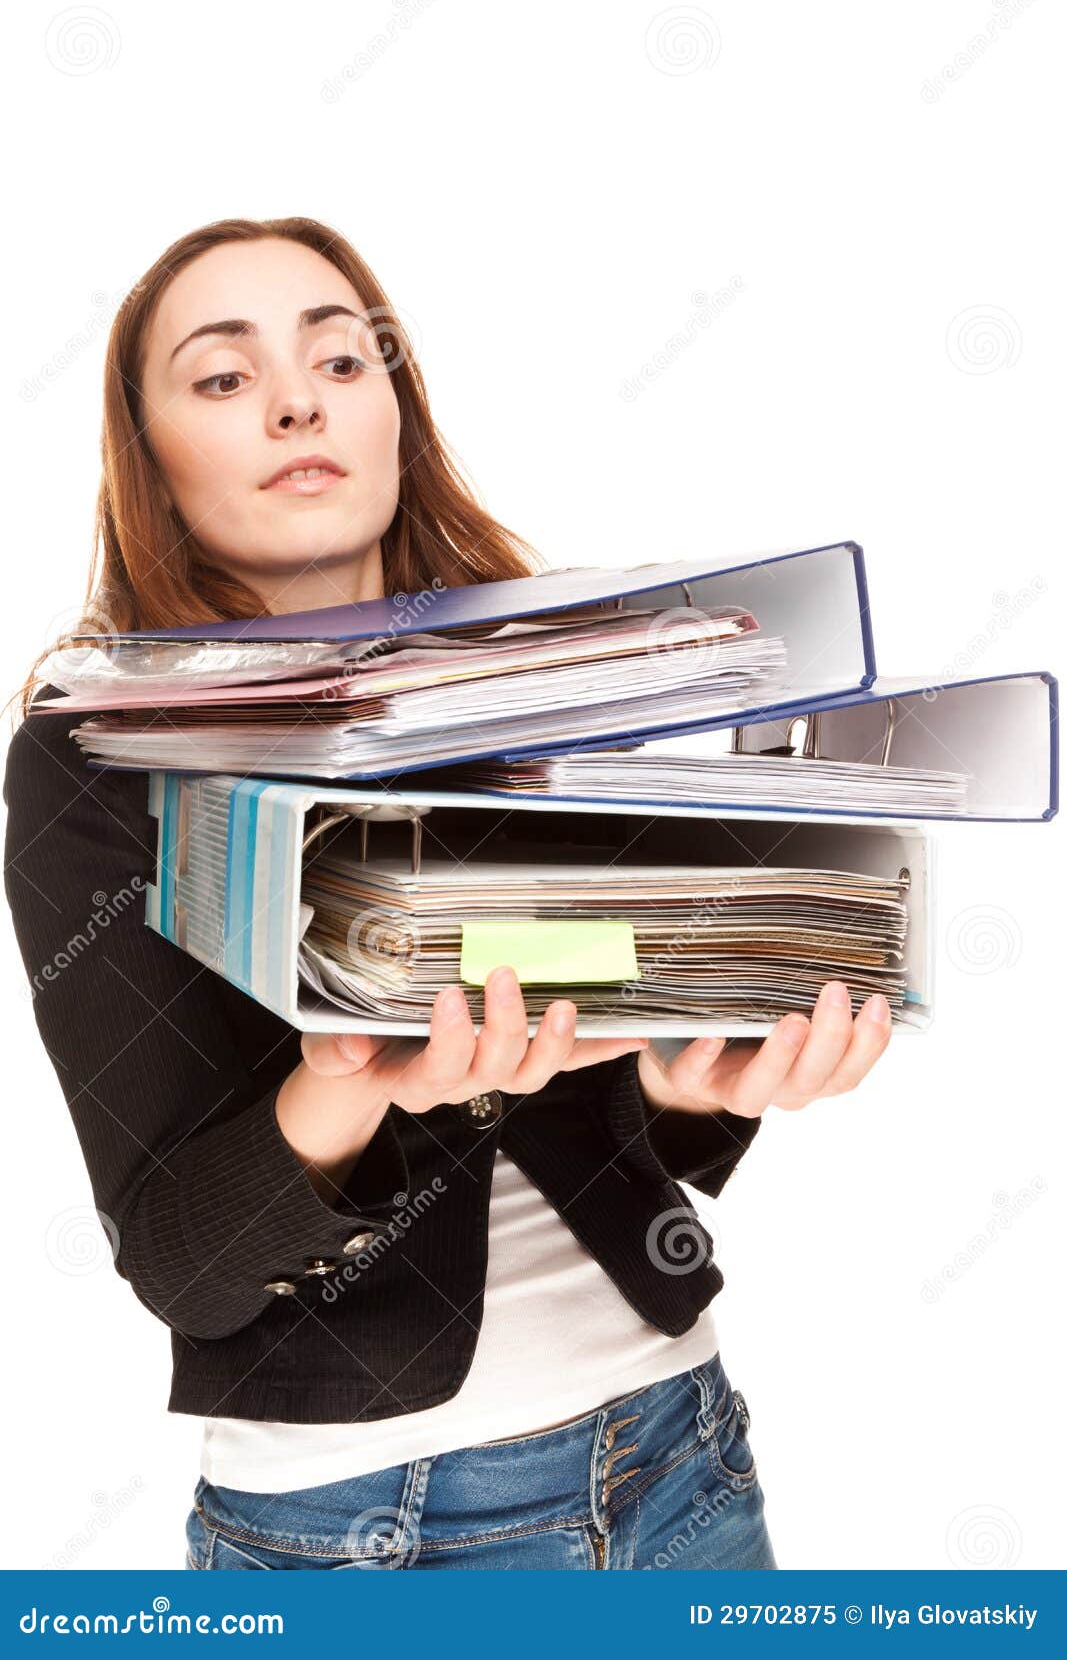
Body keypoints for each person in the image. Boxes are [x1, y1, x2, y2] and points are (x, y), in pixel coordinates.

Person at [3, 217, 892, 1570]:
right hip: (367, 1529)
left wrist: (698, 1082)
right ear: (151, 457)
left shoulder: (535, 671)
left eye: (344, 360)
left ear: (396, 413)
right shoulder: (94, 757)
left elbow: (614, 1121)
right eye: (225, 377)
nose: (300, 399)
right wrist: (351, 1083)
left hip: (677, 1448)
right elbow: (181, 1259)